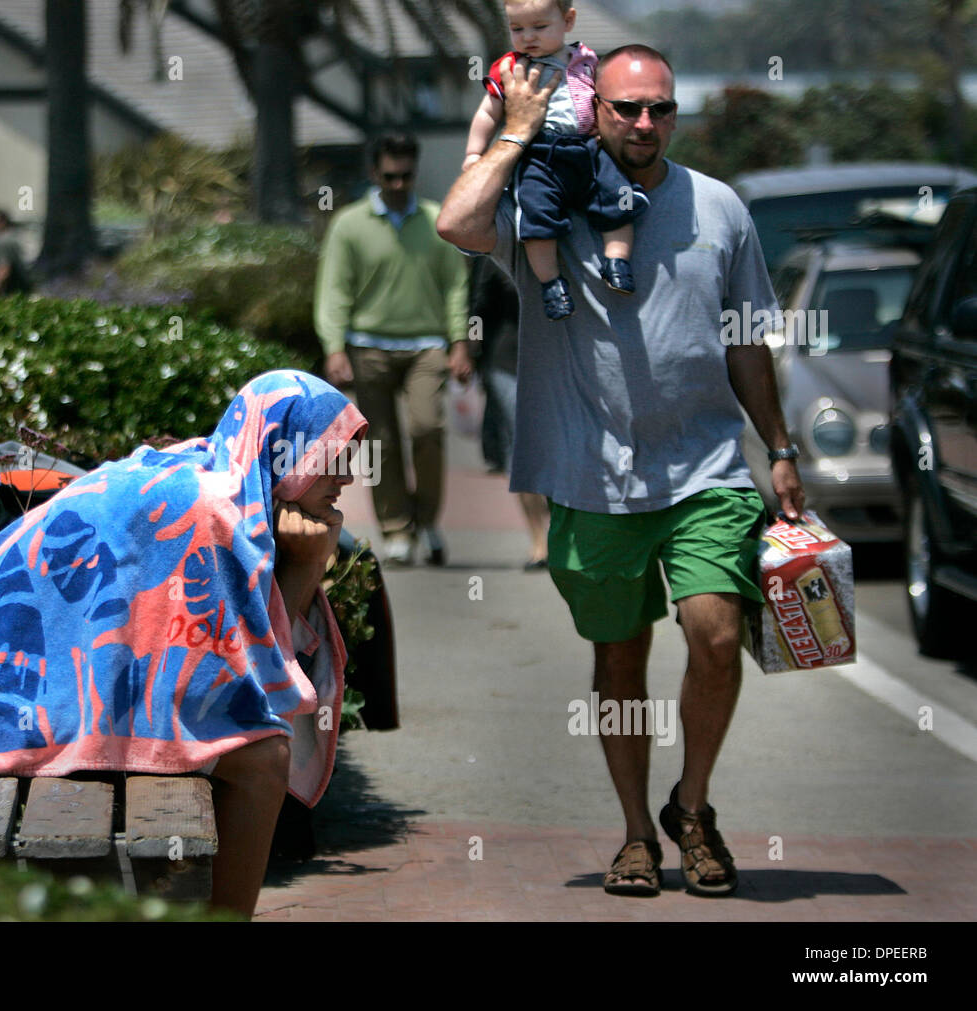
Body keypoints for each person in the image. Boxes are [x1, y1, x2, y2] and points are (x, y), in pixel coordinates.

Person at [438, 46, 806, 898]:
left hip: (707, 466)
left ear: (676, 115)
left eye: (660, 109)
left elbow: (748, 340)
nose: (644, 124)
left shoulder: (719, 208)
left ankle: (695, 805)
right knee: (618, 663)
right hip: (590, 475)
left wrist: (780, 449)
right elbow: (458, 222)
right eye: (626, 108)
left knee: (717, 637)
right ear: (591, 109)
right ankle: (638, 831)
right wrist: (516, 133)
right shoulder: (547, 200)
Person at [0, 370, 367, 918]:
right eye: (332, 455)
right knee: (265, 758)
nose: (346, 477)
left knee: (260, 751)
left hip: (22, 657)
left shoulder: (219, 470)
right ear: (282, 445)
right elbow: (258, 675)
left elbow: (244, 657)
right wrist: (310, 562)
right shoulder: (216, 510)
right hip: (8, 677)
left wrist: (303, 561)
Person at [316, 133, 473, 567]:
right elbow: (333, 292)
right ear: (374, 174)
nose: (399, 184)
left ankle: (427, 521)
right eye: (390, 176)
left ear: (415, 173)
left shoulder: (436, 220)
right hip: (369, 346)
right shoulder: (349, 224)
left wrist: (460, 341)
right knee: (380, 444)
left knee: (427, 429)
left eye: (406, 175)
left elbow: (456, 286)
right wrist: (335, 348)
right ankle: (396, 528)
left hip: (426, 345)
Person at [463, 0, 648, 320]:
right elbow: (488, 113)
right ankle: (551, 284)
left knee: (617, 197)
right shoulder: (510, 67)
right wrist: (474, 153)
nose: (528, 37)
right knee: (536, 217)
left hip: (589, 148)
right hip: (540, 156)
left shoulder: (586, 59)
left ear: (568, 21)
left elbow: (607, 101)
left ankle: (617, 260)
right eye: (517, 29)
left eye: (539, 27)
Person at [469, 255, 550, 569]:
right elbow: (477, 303)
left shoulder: (566, 234)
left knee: (557, 448)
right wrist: (467, 350)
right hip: (506, 360)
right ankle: (539, 541)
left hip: (556, 361)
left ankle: (561, 533)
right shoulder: (495, 246)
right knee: (520, 447)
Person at [0, 207, 32, 298]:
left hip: (10, 288)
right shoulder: (13, 236)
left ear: (2, 222)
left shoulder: (3, 241)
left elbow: (4, 268)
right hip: (22, 286)